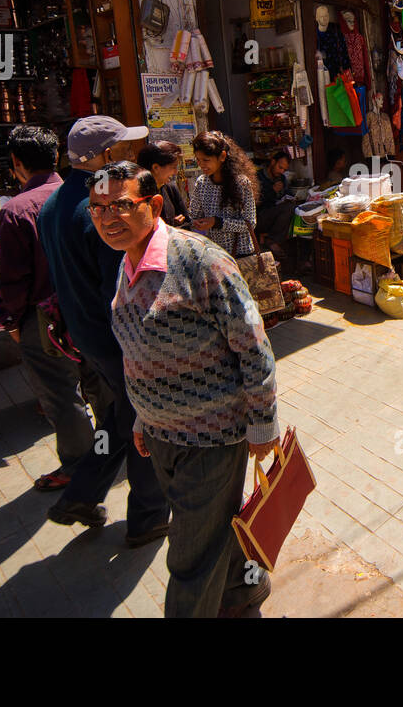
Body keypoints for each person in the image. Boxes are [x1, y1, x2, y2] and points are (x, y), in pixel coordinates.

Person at [88, 161, 279, 617]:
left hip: (212, 438)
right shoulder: (126, 261)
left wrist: (263, 420)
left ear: (154, 204)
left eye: (120, 205)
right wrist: (141, 413)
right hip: (160, 435)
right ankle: (243, 592)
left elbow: (253, 342)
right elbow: (138, 347)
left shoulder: (199, 260)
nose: (108, 218)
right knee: (211, 530)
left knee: (189, 556)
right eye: (97, 209)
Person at [37, 115, 170, 547]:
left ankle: (80, 495)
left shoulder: (53, 204)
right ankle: (149, 517)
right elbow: (126, 289)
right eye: (125, 149)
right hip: (119, 339)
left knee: (119, 416)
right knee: (147, 421)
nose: (132, 156)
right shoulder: (104, 209)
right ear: (108, 156)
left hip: (87, 334)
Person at [0, 125, 96, 491]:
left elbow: (12, 280)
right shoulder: (86, 194)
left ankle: (80, 467)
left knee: (60, 394)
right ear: (56, 157)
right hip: (91, 305)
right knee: (100, 384)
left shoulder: (15, 210)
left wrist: (10, 320)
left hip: (44, 317)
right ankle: (113, 451)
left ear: (16, 163)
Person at [190, 131, 259, 258]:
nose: (201, 165)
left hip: (240, 254)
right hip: (213, 255)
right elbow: (194, 215)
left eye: (206, 160)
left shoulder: (242, 183)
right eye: (198, 160)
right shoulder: (201, 182)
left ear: (222, 156)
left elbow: (250, 223)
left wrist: (217, 222)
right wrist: (196, 222)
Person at [136, 141, 188, 227]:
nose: (175, 172)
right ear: (156, 167)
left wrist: (175, 225)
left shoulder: (170, 189)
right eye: (173, 167)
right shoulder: (137, 194)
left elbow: (187, 222)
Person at [254, 149, 297, 246]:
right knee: (288, 208)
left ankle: (273, 240)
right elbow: (256, 202)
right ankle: (272, 241)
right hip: (260, 217)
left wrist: (291, 197)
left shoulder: (281, 178)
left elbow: (287, 193)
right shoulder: (257, 177)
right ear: (273, 162)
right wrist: (272, 191)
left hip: (275, 214)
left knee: (293, 207)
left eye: (284, 170)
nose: (281, 171)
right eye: (280, 167)